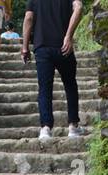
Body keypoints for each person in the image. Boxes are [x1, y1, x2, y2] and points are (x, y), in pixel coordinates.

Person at [22, 0, 84, 140]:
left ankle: (45, 128)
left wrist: (25, 47)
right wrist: (68, 36)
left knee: (44, 88)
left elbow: (29, 18)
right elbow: (79, 7)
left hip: (42, 48)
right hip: (64, 47)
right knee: (70, 85)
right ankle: (73, 126)